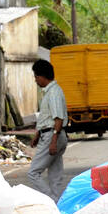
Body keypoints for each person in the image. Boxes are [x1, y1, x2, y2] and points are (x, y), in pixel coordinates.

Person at [27, 59, 68, 199]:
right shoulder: (51, 92)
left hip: (53, 135)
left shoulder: (54, 93)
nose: (35, 81)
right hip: (52, 134)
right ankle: (58, 205)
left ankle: (51, 199)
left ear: (42, 76)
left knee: (33, 172)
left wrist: (53, 140)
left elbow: (58, 118)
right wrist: (38, 134)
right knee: (55, 175)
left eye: (36, 77)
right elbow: (48, 117)